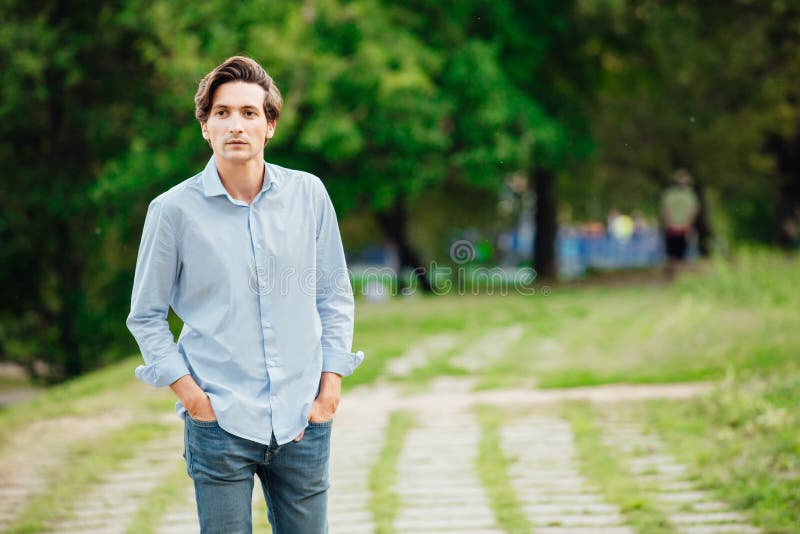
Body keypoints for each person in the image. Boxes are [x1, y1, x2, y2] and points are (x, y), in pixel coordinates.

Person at [126, 56, 363, 533]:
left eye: (250, 113)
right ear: (205, 127)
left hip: (304, 418)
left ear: (270, 125)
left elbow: (334, 293)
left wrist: (329, 390)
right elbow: (146, 315)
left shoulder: (309, 195)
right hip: (220, 421)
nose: (236, 125)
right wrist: (194, 399)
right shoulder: (172, 212)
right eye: (222, 113)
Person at [660, 168, 700, 275]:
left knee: (671, 254)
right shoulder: (690, 195)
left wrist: (669, 223)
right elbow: (693, 211)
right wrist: (689, 224)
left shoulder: (668, 194)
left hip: (671, 227)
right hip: (684, 227)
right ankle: (680, 276)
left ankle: (673, 275)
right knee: (683, 254)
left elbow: (665, 210)